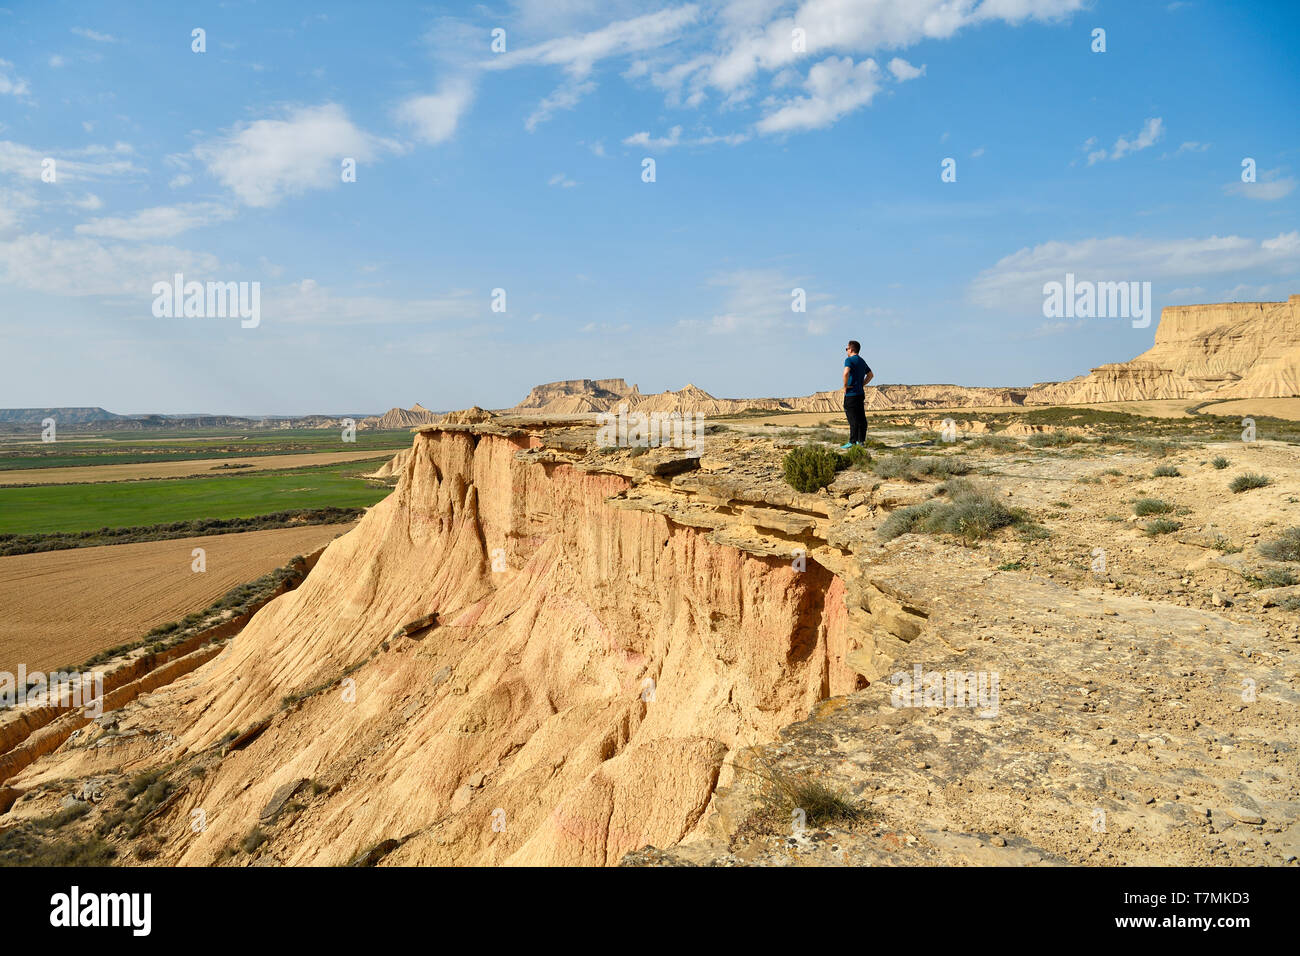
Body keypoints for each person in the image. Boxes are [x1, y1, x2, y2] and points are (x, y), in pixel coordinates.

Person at [841, 340, 873, 448]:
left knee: (852, 418)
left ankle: (852, 442)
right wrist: (862, 384)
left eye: (847, 349)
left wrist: (845, 386)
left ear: (851, 349)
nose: (846, 351)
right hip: (860, 393)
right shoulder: (862, 361)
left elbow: (846, 373)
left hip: (851, 394)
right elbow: (870, 375)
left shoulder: (849, 360)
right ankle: (861, 441)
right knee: (861, 418)